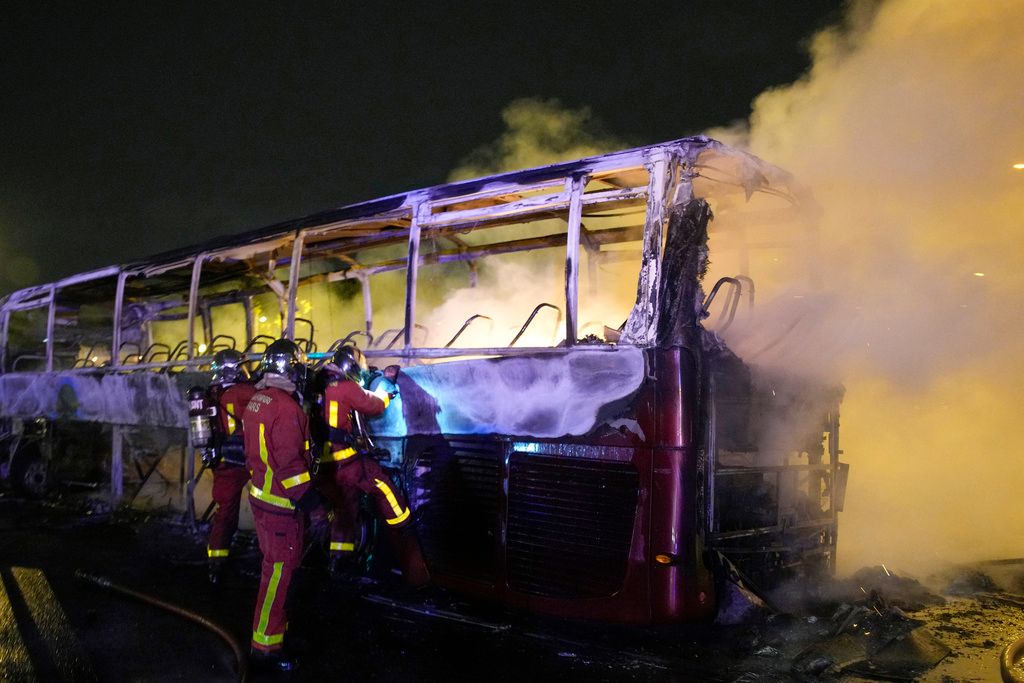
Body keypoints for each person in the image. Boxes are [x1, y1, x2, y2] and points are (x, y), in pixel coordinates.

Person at [242, 339, 327, 670]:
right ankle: (264, 647)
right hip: (281, 506)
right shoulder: (287, 409)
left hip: (263, 499)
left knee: (274, 571)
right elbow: (291, 467)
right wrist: (314, 506)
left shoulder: (259, 399)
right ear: (290, 369)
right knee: (278, 575)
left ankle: (275, 633)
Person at [316, 345, 428, 585]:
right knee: (381, 483)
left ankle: (339, 560)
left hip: (324, 464)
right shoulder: (346, 387)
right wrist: (387, 385)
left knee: (345, 510)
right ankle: (403, 527)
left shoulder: (321, 385)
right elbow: (374, 405)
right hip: (345, 461)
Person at [204, 349, 256, 585]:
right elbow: (268, 398)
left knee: (225, 513)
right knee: (270, 506)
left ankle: (216, 563)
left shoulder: (211, 393)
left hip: (221, 462)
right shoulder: (242, 392)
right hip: (245, 458)